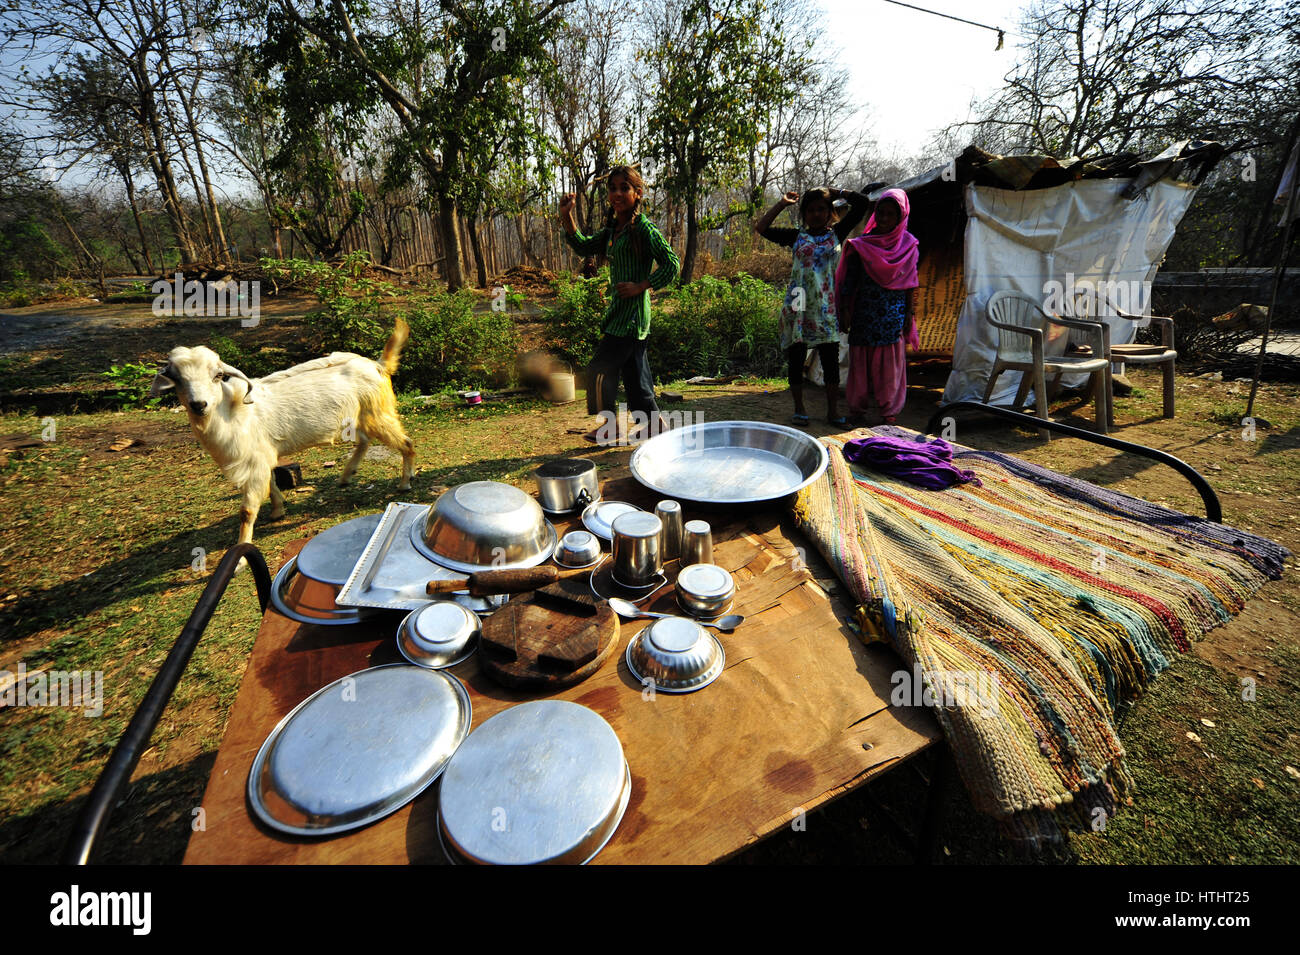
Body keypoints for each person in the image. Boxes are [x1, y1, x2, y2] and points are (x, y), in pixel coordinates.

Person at [558, 165, 680, 444]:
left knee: (599, 369)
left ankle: (610, 427)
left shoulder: (644, 229)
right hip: (620, 314)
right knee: (636, 378)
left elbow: (671, 264)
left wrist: (641, 286)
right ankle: (655, 426)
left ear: (637, 194)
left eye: (624, 187)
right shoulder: (614, 228)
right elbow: (584, 246)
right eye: (612, 188)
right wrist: (568, 217)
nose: (616, 193)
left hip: (632, 317)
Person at [753, 186, 869, 427]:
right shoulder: (796, 237)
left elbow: (863, 203)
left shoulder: (837, 233)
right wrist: (782, 204)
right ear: (804, 213)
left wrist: (836, 191)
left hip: (826, 307)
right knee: (796, 358)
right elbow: (761, 228)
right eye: (811, 210)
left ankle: (833, 412)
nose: (816, 214)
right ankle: (799, 408)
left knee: (830, 360)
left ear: (829, 212)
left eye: (821, 209)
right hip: (798, 305)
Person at [834, 188, 920, 426]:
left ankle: (888, 411)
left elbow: (911, 284)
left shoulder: (909, 246)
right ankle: (857, 410)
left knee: (889, 370)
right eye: (880, 213)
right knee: (859, 367)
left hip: (892, 316)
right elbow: (848, 282)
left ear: (900, 217)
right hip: (864, 314)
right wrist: (845, 310)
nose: (883, 218)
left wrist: (909, 316)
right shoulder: (861, 246)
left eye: (890, 214)